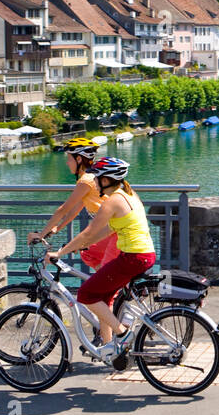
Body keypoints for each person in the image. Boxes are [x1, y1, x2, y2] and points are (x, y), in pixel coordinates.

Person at [46, 157, 157, 369]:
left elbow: (88, 232)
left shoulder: (113, 200)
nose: (95, 183)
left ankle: (122, 334)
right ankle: (110, 348)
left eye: (98, 179)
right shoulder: (128, 195)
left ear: (108, 179)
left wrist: (59, 253)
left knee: (86, 294)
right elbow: (108, 230)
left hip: (132, 257)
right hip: (142, 254)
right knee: (103, 297)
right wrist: (82, 245)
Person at [27, 137, 118, 271]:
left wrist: (41, 234)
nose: (67, 163)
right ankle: (113, 287)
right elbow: (75, 209)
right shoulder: (92, 178)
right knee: (90, 254)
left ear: (79, 159)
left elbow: (63, 210)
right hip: (111, 229)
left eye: (69, 159)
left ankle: (110, 288)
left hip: (112, 231)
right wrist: (57, 228)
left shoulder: (86, 180)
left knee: (87, 251)